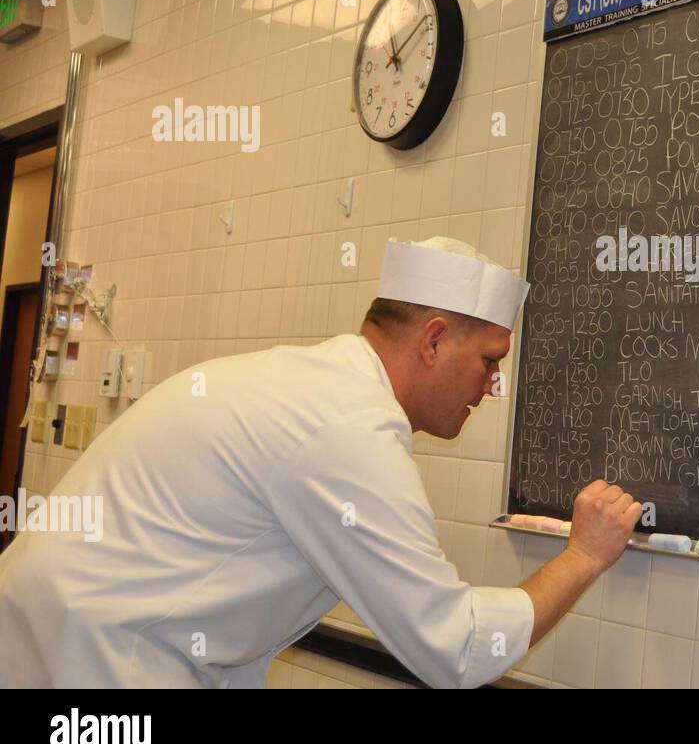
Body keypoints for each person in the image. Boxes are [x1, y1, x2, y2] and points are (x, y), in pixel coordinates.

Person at [0, 236, 639, 687]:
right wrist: (583, 556)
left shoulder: (314, 389)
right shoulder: (346, 430)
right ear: (435, 340)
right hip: (97, 663)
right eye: (490, 362)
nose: (493, 386)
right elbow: (461, 650)